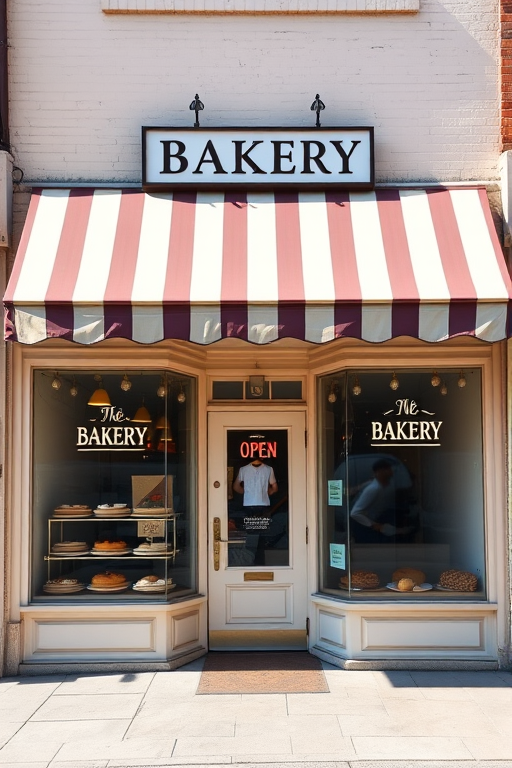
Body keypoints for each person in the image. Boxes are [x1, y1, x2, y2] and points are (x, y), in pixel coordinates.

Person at [350, 458, 398, 542]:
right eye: (389, 469)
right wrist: (375, 526)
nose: (392, 472)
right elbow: (355, 513)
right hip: (366, 527)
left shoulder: (385, 486)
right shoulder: (373, 489)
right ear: (381, 471)